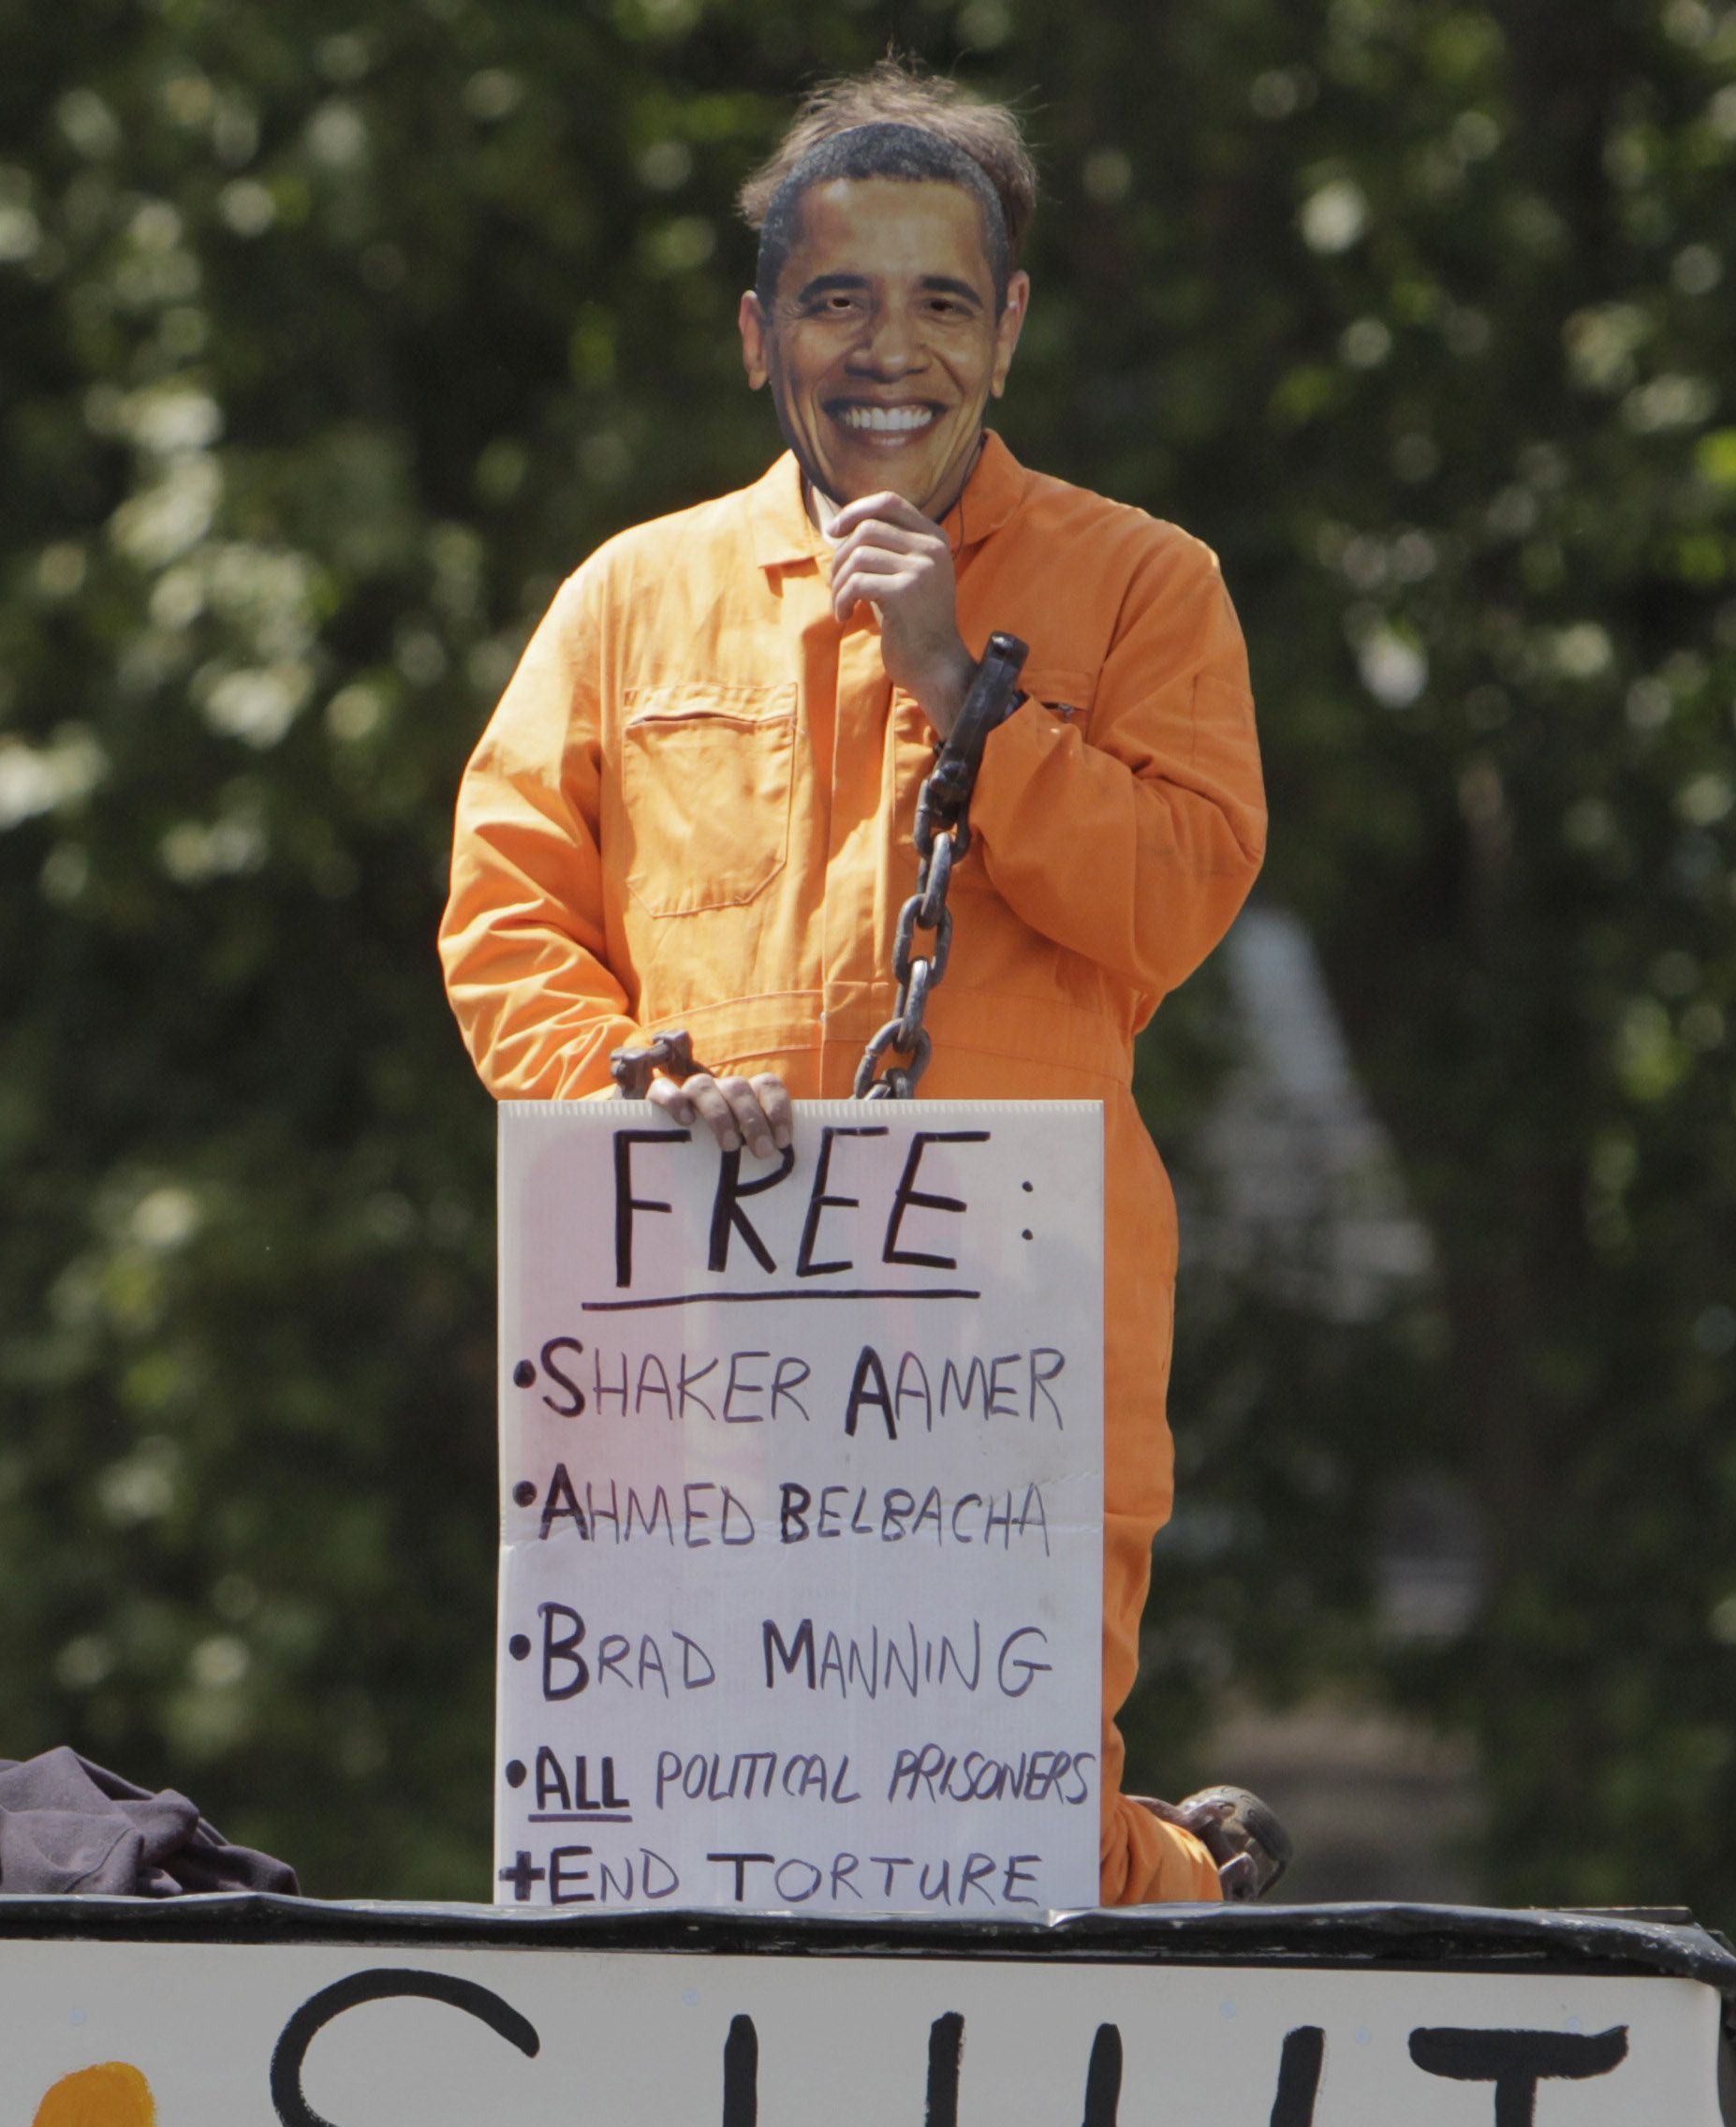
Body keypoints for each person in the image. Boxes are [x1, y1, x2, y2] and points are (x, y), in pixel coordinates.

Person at [439, 63, 1285, 1904]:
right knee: (689, 1825)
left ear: (1011, 332)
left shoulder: (1146, 589)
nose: (887, 348)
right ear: (759, 337)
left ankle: (1169, 1875)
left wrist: (950, 678)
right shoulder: (630, 599)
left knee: (997, 1818)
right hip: (687, 1325)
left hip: (1009, 1321)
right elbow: (507, 923)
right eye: (836, 299)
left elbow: (1170, 898)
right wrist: (625, 1088)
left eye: (939, 301)